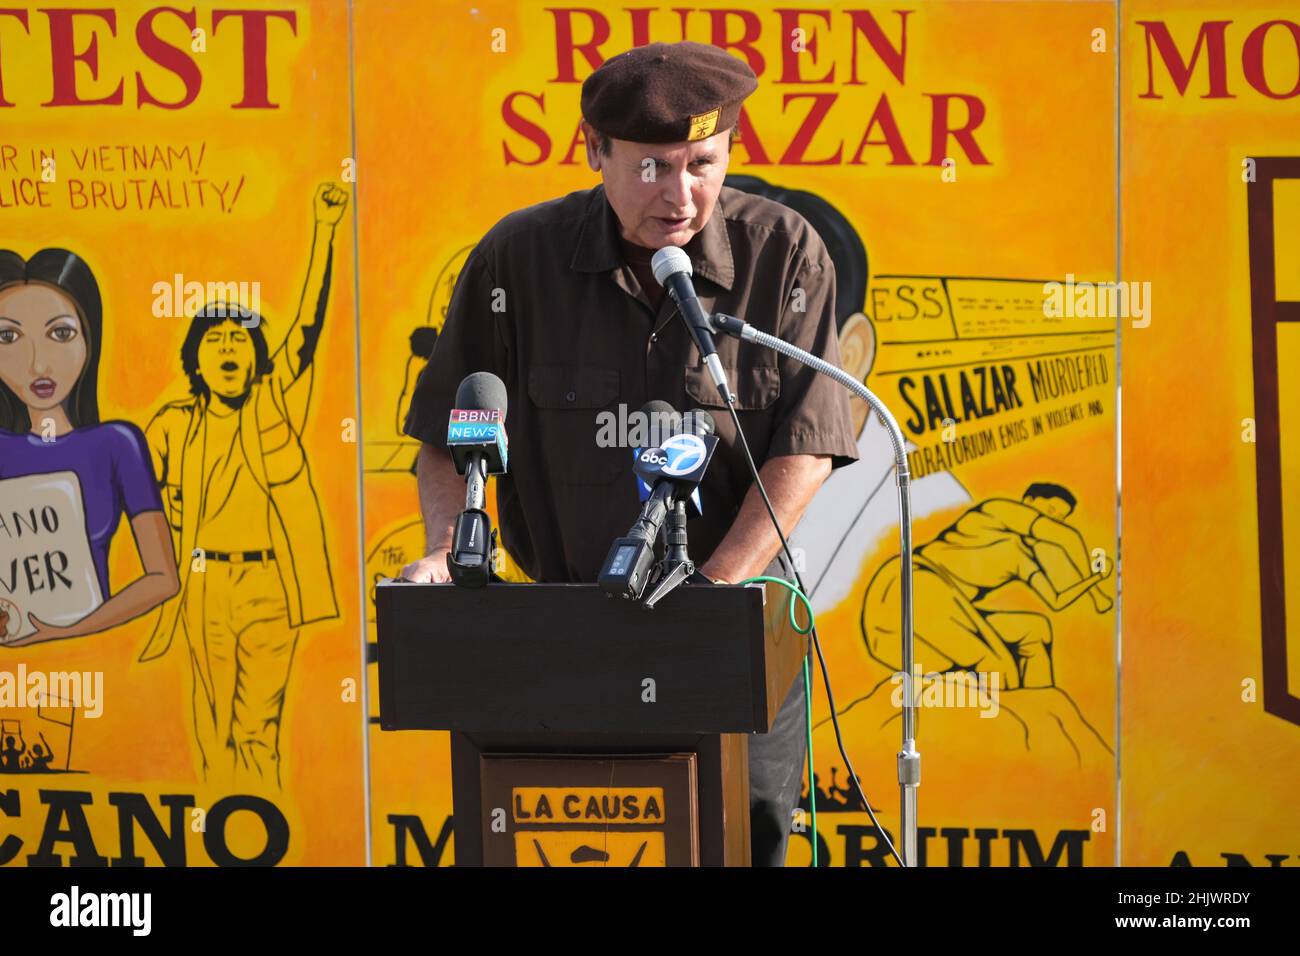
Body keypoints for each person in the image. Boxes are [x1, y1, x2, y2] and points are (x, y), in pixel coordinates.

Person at [399, 42, 859, 866]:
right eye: (650, 169)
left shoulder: (784, 255)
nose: (679, 196)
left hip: (735, 629)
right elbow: (444, 427)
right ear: (593, 152)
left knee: (740, 843)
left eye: (700, 165)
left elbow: (807, 444)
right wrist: (444, 547)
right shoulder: (518, 260)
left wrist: (716, 592)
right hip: (567, 628)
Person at [139, 183, 348, 791]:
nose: (228, 347)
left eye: (240, 340)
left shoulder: (272, 403)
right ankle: (219, 827)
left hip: (269, 588)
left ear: (257, 359)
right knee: (211, 724)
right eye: (214, 340)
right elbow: (126, 492)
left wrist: (325, 231)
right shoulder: (174, 424)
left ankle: (258, 820)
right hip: (202, 585)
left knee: (258, 722)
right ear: (195, 360)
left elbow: (307, 325)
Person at [0, 249, 179, 646]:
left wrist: (70, 630)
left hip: (97, 659)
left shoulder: (117, 444)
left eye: (60, 333)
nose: (37, 365)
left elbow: (164, 578)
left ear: (88, 339)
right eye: (8, 336)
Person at [862, 483, 1114, 690]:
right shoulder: (997, 511)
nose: (1052, 520)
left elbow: (1057, 600)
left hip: (935, 617)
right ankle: (1010, 733)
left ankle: (1043, 715)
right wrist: (1098, 593)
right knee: (998, 668)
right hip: (908, 588)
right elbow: (1066, 536)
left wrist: (1094, 581)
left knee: (1036, 631)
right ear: (1028, 502)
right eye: (1048, 511)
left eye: (1059, 517)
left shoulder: (1021, 557)